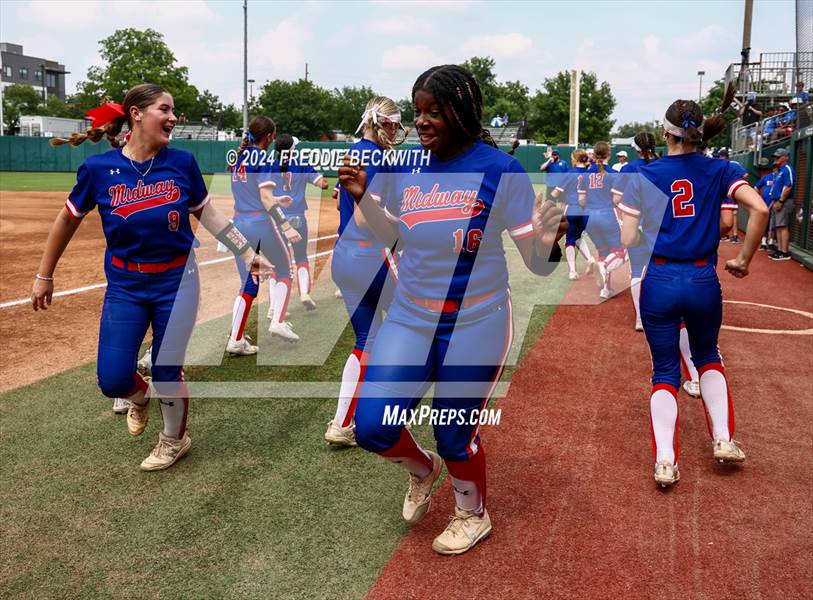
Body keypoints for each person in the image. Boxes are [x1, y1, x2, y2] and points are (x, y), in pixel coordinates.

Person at [339, 64, 566, 555]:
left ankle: (471, 513)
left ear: (460, 114)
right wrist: (365, 201)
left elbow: (539, 263)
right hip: (410, 315)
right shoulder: (407, 169)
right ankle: (423, 471)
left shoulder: (501, 171)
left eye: (433, 112)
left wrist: (551, 241)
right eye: (418, 111)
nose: (420, 122)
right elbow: (394, 238)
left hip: (477, 319)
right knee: (373, 426)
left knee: (453, 431)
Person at [32, 84, 270, 470]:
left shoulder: (181, 163)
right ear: (137, 114)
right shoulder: (99, 169)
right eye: (165, 109)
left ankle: (174, 439)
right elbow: (67, 219)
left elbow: (207, 215)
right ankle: (141, 398)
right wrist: (45, 274)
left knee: (166, 367)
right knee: (112, 380)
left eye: (173, 110)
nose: (173, 117)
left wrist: (246, 250)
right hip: (125, 285)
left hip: (178, 280)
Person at [616, 88, 769, 487]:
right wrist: (743, 259)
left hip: (661, 278)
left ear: (665, 133)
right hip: (703, 278)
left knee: (664, 371)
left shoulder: (644, 174)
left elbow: (630, 239)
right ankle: (723, 439)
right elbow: (761, 209)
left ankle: (665, 461)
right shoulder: (721, 168)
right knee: (707, 357)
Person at [326, 95, 405, 446]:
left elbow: (345, 202)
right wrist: (404, 225)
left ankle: (343, 422)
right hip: (370, 255)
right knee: (422, 322)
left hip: (346, 256)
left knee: (367, 340)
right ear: (378, 122)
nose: (396, 130)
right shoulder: (376, 159)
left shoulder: (355, 152)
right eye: (392, 123)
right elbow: (363, 215)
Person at [227, 116, 303, 348]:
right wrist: (286, 225)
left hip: (238, 222)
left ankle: (235, 339)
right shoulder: (264, 158)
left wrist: (276, 199)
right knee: (284, 270)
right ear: (270, 136)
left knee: (248, 283)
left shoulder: (239, 158)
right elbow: (265, 198)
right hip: (260, 223)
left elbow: (252, 194)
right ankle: (278, 320)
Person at [271, 134, 330, 311]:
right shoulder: (302, 165)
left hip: (277, 219)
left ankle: (273, 307)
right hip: (297, 218)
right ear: (293, 150)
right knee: (301, 257)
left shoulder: (269, 166)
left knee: (277, 262)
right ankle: (304, 293)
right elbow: (324, 184)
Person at [616, 132, 658, 330]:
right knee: (660, 269)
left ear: (636, 148)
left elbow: (615, 199)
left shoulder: (629, 168)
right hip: (661, 225)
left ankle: (640, 317)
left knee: (635, 270)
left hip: (636, 223)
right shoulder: (663, 165)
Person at [550, 148, 596, 280]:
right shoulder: (590, 173)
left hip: (573, 209)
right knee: (577, 236)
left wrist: (552, 197)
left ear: (575, 159)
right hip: (587, 211)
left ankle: (572, 271)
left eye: (572, 157)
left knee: (569, 240)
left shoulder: (570, 173)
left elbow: (555, 193)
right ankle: (590, 259)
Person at [768, 147, 796, 261]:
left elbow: (789, 186)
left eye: (778, 157)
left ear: (785, 157)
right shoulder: (780, 170)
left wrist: (780, 201)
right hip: (777, 201)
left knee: (783, 226)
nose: (776, 159)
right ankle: (780, 250)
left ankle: (784, 252)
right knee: (778, 226)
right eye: (775, 157)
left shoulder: (787, 169)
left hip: (784, 201)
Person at [754, 160, 777, 250]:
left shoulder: (779, 178)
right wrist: (758, 199)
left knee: (773, 224)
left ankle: (771, 242)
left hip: (775, 204)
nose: (776, 169)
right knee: (764, 224)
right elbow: (756, 187)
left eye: (777, 167)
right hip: (764, 204)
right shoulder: (766, 177)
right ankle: (763, 242)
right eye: (774, 167)